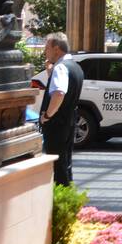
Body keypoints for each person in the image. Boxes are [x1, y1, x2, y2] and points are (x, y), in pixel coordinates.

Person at [39, 32, 84, 186]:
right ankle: (67, 196)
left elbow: (59, 93)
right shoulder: (75, 67)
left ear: (56, 49)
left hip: (57, 124)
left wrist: (48, 115)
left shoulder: (61, 68)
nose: (45, 52)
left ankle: (60, 199)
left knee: (57, 164)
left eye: (47, 48)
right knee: (65, 161)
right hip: (69, 122)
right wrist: (50, 73)